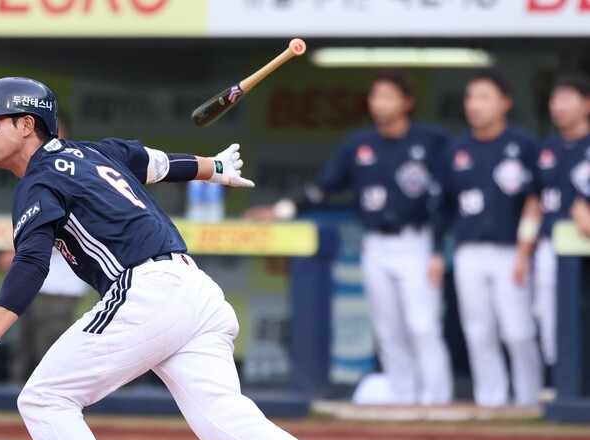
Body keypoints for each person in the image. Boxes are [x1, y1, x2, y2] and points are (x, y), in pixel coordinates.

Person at [0, 77, 371, 440]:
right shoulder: (97, 152)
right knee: (225, 424)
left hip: (147, 291)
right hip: (195, 290)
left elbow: (31, 262)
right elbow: (159, 163)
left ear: (27, 124)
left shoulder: (40, 180)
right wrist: (213, 168)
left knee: (44, 397)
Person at [246, 69, 453, 406]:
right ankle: (402, 396)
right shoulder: (359, 144)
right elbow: (323, 186)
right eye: (375, 96)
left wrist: (438, 250)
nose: (380, 103)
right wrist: (283, 210)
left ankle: (437, 400)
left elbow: (447, 198)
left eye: (388, 96)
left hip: (417, 241)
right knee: (387, 328)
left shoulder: (431, 141)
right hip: (376, 244)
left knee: (423, 326)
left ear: (407, 102)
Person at [435, 69, 542, 407]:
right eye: (470, 97)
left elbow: (536, 199)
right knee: (478, 330)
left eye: (484, 97)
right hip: (469, 249)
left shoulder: (523, 145)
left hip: (512, 250)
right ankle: (490, 402)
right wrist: (437, 252)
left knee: (518, 331)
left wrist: (525, 251)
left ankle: (528, 401)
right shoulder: (456, 150)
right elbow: (443, 207)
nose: (474, 105)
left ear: (505, 102)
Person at [0, 116, 92, 383]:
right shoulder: (34, 172)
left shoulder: (73, 168)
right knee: (22, 360)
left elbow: (68, 225)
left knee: (50, 364)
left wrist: (20, 254)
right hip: (33, 284)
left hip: (61, 286)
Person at [533, 74, 590, 376]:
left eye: (567, 99)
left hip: (585, 244)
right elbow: (533, 201)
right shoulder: (547, 149)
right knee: (547, 313)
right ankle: (559, 380)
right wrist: (523, 250)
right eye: (555, 99)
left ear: (587, 104)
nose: (559, 106)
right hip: (553, 242)